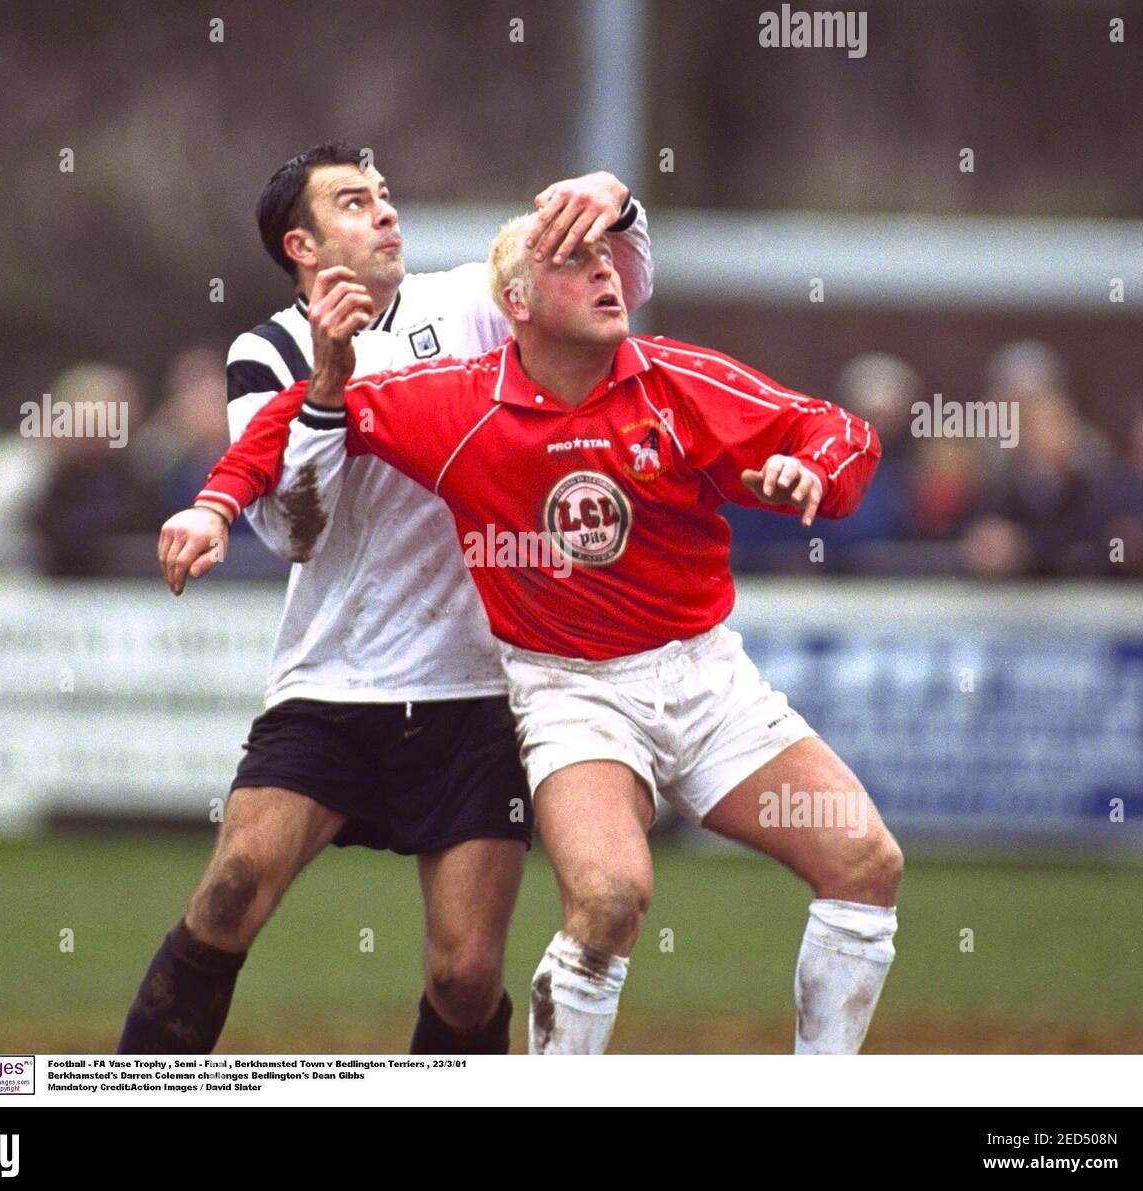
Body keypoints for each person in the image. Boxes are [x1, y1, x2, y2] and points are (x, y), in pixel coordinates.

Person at [183, 212, 902, 1055]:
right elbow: (296, 416)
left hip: (705, 678)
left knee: (866, 862)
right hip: (571, 692)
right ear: (516, 301)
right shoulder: (458, 405)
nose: (604, 275)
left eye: (606, 260)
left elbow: (841, 431)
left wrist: (813, 469)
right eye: (573, 264)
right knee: (608, 899)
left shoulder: (677, 379)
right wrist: (214, 504)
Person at [122, 143, 652, 1054]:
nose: (387, 212)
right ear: (302, 244)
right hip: (332, 681)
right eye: (355, 202)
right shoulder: (270, 350)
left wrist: (619, 204)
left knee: (464, 974)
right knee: (228, 895)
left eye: (385, 196)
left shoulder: (474, 304)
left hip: (475, 688)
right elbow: (295, 533)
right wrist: (327, 385)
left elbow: (613, 278)